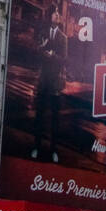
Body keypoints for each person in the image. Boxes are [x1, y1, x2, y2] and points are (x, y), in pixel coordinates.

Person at [32, 9, 68, 163]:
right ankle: (36, 147)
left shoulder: (63, 37)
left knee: (55, 118)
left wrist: (53, 56)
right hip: (43, 80)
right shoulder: (43, 32)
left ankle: (54, 150)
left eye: (59, 14)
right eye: (54, 13)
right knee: (39, 115)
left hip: (55, 82)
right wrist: (43, 49)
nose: (57, 15)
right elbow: (36, 51)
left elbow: (64, 58)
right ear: (50, 16)